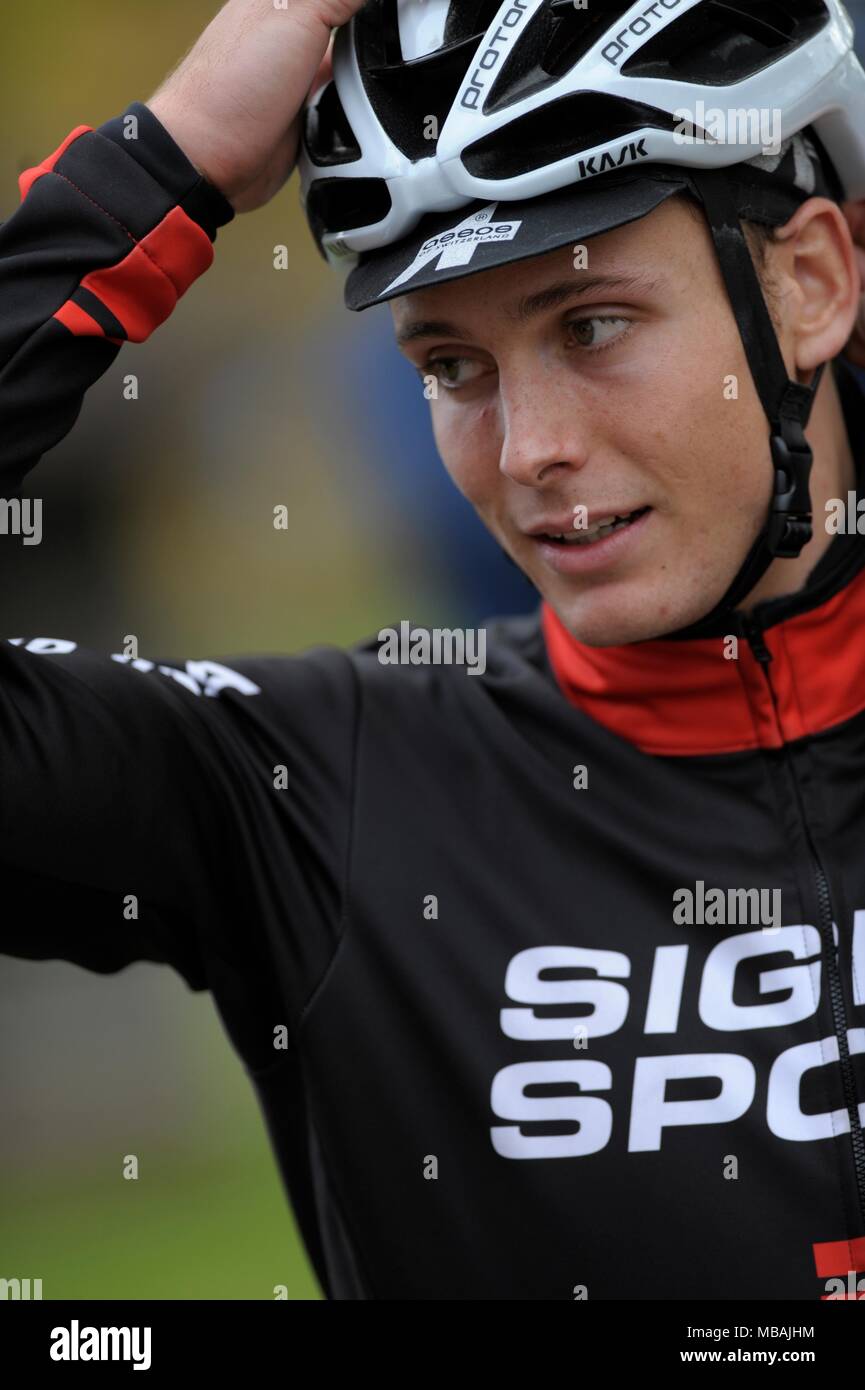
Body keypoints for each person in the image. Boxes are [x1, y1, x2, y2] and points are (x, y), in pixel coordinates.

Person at [3, 0, 865, 1301]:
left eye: (589, 327)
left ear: (808, 283)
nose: (525, 450)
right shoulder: (307, 789)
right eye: (455, 365)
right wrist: (164, 159)